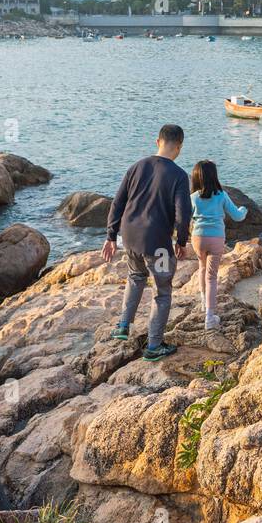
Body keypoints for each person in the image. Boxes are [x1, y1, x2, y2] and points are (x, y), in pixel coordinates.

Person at [103, 123, 191, 361]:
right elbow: (184, 214)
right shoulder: (180, 176)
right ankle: (154, 345)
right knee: (162, 290)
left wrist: (111, 236)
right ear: (180, 146)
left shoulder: (136, 167)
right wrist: (181, 241)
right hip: (158, 245)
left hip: (129, 238)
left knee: (135, 276)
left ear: (157, 141)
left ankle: (123, 325)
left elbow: (117, 203)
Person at [188, 159, 248, 331]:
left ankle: (202, 301)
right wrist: (244, 209)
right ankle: (209, 316)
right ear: (214, 176)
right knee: (212, 276)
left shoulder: (193, 197)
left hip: (198, 238)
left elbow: (184, 218)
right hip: (216, 238)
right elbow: (237, 216)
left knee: (201, 268)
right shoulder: (221, 195)